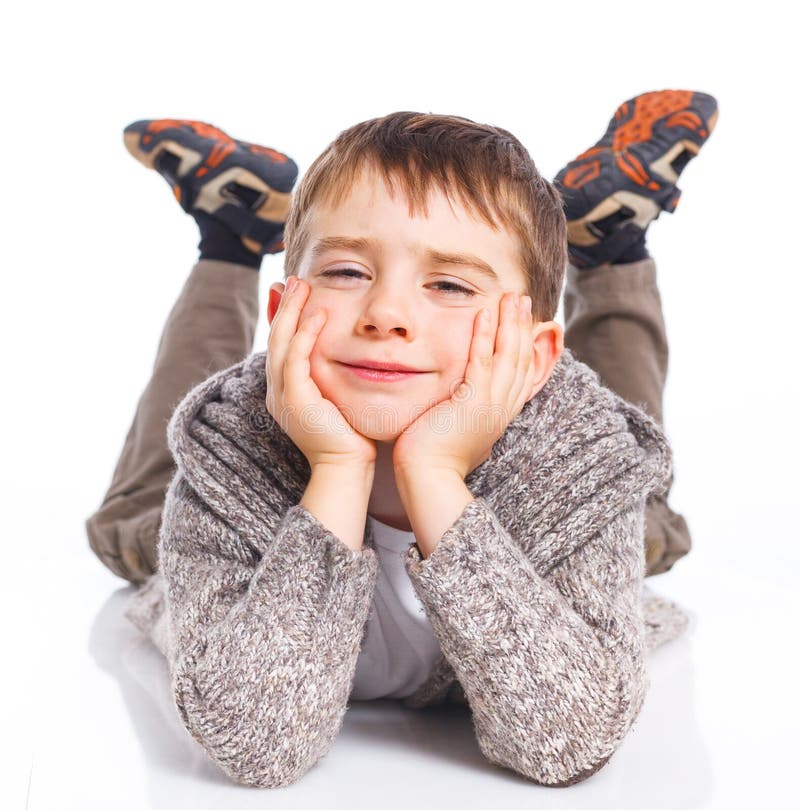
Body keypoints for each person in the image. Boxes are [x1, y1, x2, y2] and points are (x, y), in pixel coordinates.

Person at [85, 91, 717, 788]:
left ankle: (616, 246)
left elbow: (567, 742)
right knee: (138, 528)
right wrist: (335, 466)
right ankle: (231, 237)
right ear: (285, 313)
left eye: (448, 284)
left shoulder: (578, 457)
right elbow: (254, 743)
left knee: (643, 516)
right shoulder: (231, 451)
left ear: (535, 356)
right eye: (347, 272)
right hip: (249, 477)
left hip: (549, 482)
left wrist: (436, 475)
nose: (386, 312)